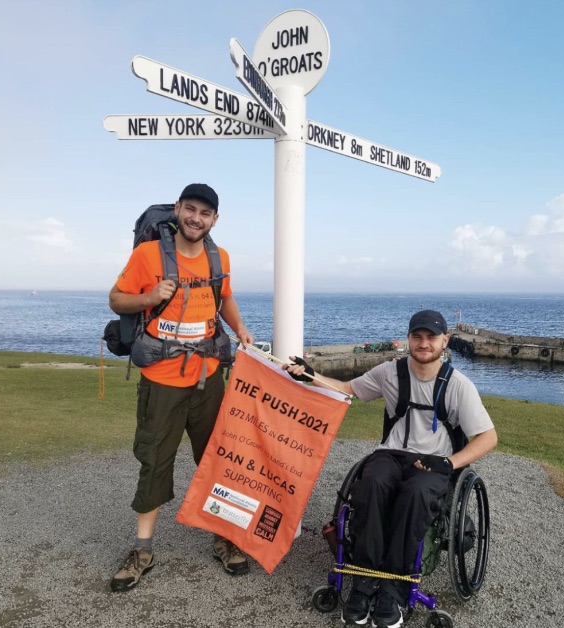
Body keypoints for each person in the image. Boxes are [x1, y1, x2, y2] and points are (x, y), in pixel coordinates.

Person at [285, 310, 498, 628]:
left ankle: (393, 588)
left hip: (433, 461)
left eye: (431, 337)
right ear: (409, 339)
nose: (424, 343)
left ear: (445, 341)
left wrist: (450, 462)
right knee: (370, 485)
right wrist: (309, 375)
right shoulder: (390, 372)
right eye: (417, 337)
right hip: (392, 454)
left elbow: (489, 437)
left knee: (414, 494)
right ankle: (365, 580)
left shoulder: (458, 385)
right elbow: (347, 388)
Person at [107, 183, 255, 592]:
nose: (196, 218)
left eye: (205, 213)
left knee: (218, 460)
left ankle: (224, 539)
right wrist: (150, 296)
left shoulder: (218, 257)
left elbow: (223, 297)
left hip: (209, 380)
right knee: (155, 460)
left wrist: (241, 329)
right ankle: (142, 550)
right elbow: (116, 299)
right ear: (178, 210)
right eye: (190, 209)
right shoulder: (148, 255)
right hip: (162, 381)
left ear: (215, 220)